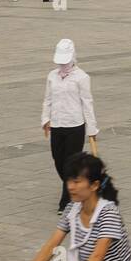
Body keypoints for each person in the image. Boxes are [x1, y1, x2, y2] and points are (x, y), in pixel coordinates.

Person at [9, 153, 131, 261]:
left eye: (76, 181)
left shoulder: (108, 214)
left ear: (94, 185)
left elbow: (98, 255)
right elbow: (52, 245)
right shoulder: (72, 210)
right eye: (69, 180)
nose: (70, 187)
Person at [41, 39, 98, 213]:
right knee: (58, 161)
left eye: (65, 60)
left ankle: (67, 199)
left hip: (75, 125)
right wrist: (45, 119)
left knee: (71, 163)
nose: (63, 63)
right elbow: (48, 99)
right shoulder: (52, 76)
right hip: (57, 124)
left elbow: (87, 102)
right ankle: (76, 189)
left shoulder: (82, 77)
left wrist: (92, 129)